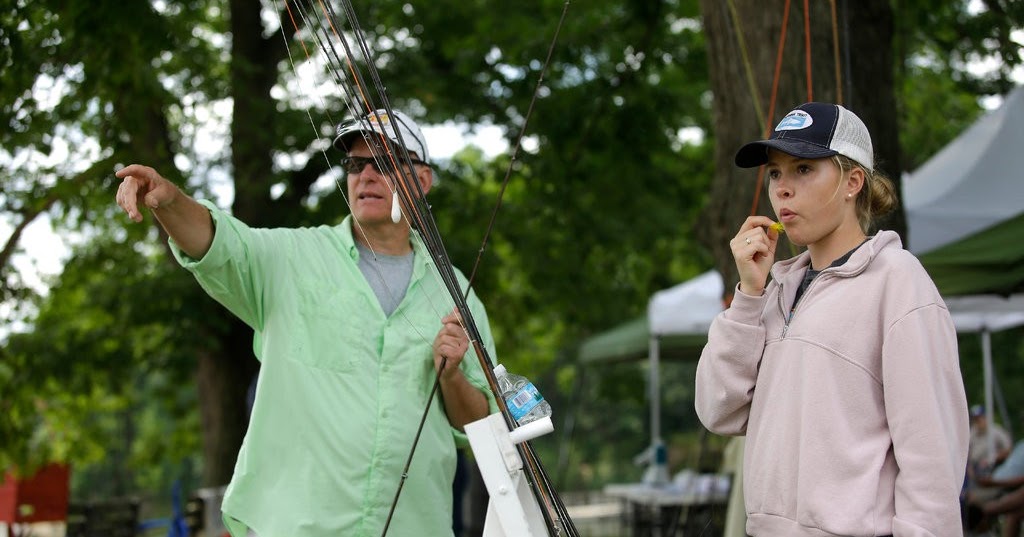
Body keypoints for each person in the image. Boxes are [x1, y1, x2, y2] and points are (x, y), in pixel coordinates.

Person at [114, 109, 498, 537]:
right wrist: (169, 201)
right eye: (355, 164)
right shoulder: (292, 257)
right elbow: (218, 243)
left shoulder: (457, 294)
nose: (366, 175)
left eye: (384, 163)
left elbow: (480, 426)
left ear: (422, 181)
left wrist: (452, 377)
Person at [694, 102, 969, 536]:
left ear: (853, 182)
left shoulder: (898, 281)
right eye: (775, 173)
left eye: (803, 169)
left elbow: (932, 455)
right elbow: (718, 412)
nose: (783, 189)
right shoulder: (774, 289)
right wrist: (748, 296)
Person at [967, 404, 1013, 481]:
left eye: (979, 419)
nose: (978, 422)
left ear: (985, 417)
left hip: (994, 468)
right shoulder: (972, 433)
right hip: (976, 470)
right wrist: (970, 468)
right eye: (975, 419)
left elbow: (1008, 449)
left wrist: (993, 458)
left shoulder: (996, 432)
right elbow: (968, 452)